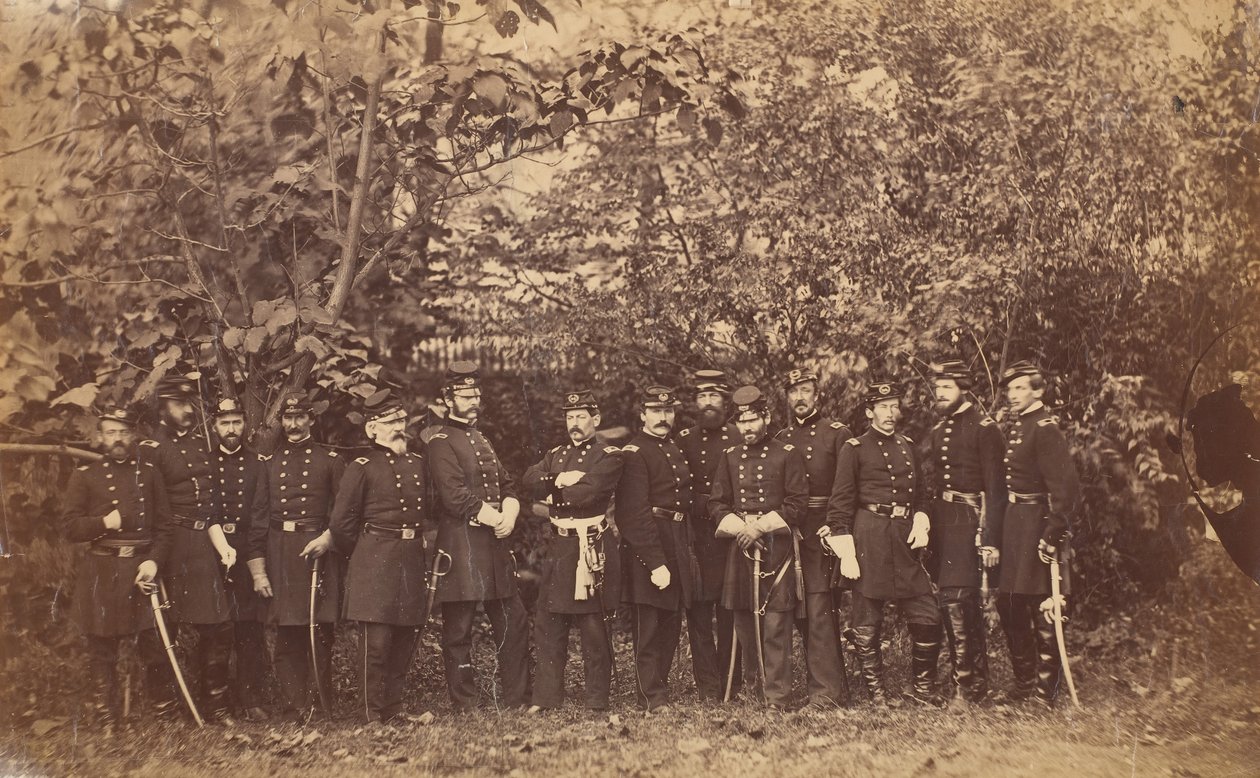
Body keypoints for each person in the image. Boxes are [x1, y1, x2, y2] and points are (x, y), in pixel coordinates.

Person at [825, 381, 942, 707]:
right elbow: (840, 504)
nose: (891, 413)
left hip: (904, 538)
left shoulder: (908, 446)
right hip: (870, 537)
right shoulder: (855, 448)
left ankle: (923, 690)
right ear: (869, 411)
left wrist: (921, 518)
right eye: (883, 407)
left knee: (927, 612)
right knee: (866, 619)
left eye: (894, 406)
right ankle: (877, 695)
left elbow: (921, 495)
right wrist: (845, 549)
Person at [60, 405, 177, 727]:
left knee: (154, 643)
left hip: (142, 570)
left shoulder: (150, 475)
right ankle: (107, 715)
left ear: (133, 436)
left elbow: (165, 527)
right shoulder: (85, 476)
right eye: (111, 432)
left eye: (124, 432)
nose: (118, 439)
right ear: (100, 437)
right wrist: (104, 522)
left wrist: (153, 561)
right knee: (102, 647)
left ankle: (163, 711)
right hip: (103, 571)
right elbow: (69, 528)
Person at [428, 361, 529, 711]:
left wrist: (511, 514)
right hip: (462, 545)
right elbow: (454, 496)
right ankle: (465, 702)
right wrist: (493, 516)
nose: (473, 400)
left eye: (476, 394)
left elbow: (508, 483)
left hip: (494, 545)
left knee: (513, 620)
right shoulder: (440, 442)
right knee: (458, 630)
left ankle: (517, 698)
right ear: (447, 399)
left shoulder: (482, 438)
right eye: (464, 394)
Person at [328, 391, 433, 723]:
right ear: (373, 430)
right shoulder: (361, 467)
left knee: (405, 637)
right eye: (391, 422)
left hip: (411, 560)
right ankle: (371, 713)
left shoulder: (418, 463)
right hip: (374, 561)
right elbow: (341, 523)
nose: (399, 427)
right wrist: (363, 554)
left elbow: (431, 512)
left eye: (401, 420)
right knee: (377, 642)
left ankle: (394, 708)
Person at [143, 373, 237, 722]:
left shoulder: (200, 445)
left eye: (189, 403)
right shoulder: (150, 450)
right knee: (162, 629)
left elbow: (209, 506)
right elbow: (151, 511)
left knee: (218, 625)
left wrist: (223, 546)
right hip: (169, 546)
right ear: (163, 408)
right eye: (179, 404)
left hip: (201, 546)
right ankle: (164, 707)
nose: (187, 409)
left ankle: (215, 704)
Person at [522, 390, 624, 712]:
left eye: (581, 416)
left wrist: (554, 494)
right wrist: (561, 478)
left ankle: (597, 699)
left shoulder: (609, 455)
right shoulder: (556, 454)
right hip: (558, 546)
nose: (575, 424)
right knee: (549, 623)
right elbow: (529, 479)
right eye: (570, 417)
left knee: (594, 626)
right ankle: (547, 698)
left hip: (590, 546)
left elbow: (590, 493)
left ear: (596, 419)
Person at [710, 385, 808, 709]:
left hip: (775, 547)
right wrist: (741, 528)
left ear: (766, 417)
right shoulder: (729, 456)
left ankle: (778, 696)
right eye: (742, 421)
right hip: (741, 546)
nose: (748, 427)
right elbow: (717, 503)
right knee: (743, 621)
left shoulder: (786, 453)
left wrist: (760, 527)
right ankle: (754, 688)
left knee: (776, 622)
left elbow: (797, 504)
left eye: (753, 420)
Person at [996, 360, 1080, 707]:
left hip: (1038, 524)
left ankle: (1045, 692)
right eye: (1010, 389)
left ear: (1037, 390)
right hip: (1016, 522)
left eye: (1020, 388)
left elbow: (1066, 487)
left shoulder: (1044, 428)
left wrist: (1053, 532)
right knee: (1010, 602)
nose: (1013, 395)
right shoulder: (1021, 426)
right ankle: (1024, 681)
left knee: (1044, 604)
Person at [258, 392, 345, 722]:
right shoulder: (269, 462)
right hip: (281, 550)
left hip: (318, 550)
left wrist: (329, 539)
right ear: (282, 421)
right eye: (288, 418)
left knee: (319, 630)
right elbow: (260, 513)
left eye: (300, 418)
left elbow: (343, 511)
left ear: (311, 419)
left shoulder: (331, 460)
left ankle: (320, 704)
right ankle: (293, 706)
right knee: (287, 632)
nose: (293, 425)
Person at [926, 360, 1006, 705]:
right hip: (944, 519)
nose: (940, 393)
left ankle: (967, 687)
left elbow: (996, 489)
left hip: (969, 520)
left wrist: (989, 538)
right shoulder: (940, 428)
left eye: (947, 387)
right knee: (955, 601)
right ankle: (975, 681)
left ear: (964, 388)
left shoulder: (984, 428)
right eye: (938, 387)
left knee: (958, 601)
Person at [774, 366, 851, 709]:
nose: (800, 397)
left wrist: (836, 526)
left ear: (816, 395)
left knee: (820, 608)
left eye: (806, 390)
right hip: (790, 532)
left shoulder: (836, 434)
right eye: (794, 392)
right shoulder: (779, 438)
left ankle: (827, 692)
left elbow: (846, 487)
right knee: (800, 611)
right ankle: (820, 684)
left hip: (822, 531)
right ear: (788, 398)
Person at [615, 385, 692, 711]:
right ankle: (651, 696)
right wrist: (655, 561)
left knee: (670, 621)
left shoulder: (672, 448)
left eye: (668, 411)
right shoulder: (635, 452)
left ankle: (657, 689)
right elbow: (632, 513)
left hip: (675, 537)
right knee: (648, 626)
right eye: (656, 412)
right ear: (643, 415)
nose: (663, 417)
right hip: (647, 547)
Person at [675, 370, 739, 701]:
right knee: (699, 614)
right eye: (702, 397)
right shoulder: (684, 439)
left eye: (714, 396)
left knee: (730, 613)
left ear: (725, 401)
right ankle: (708, 686)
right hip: (696, 539)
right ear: (695, 402)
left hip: (729, 538)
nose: (708, 403)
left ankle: (732, 683)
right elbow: (677, 486)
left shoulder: (738, 436)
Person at [209, 398, 272, 721]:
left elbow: (260, 516)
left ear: (244, 424)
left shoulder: (257, 464)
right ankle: (214, 700)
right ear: (214, 426)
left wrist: (254, 558)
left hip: (247, 554)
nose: (231, 430)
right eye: (224, 423)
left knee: (249, 630)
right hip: (212, 556)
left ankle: (250, 700)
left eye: (236, 422)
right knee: (215, 629)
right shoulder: (205, 463)